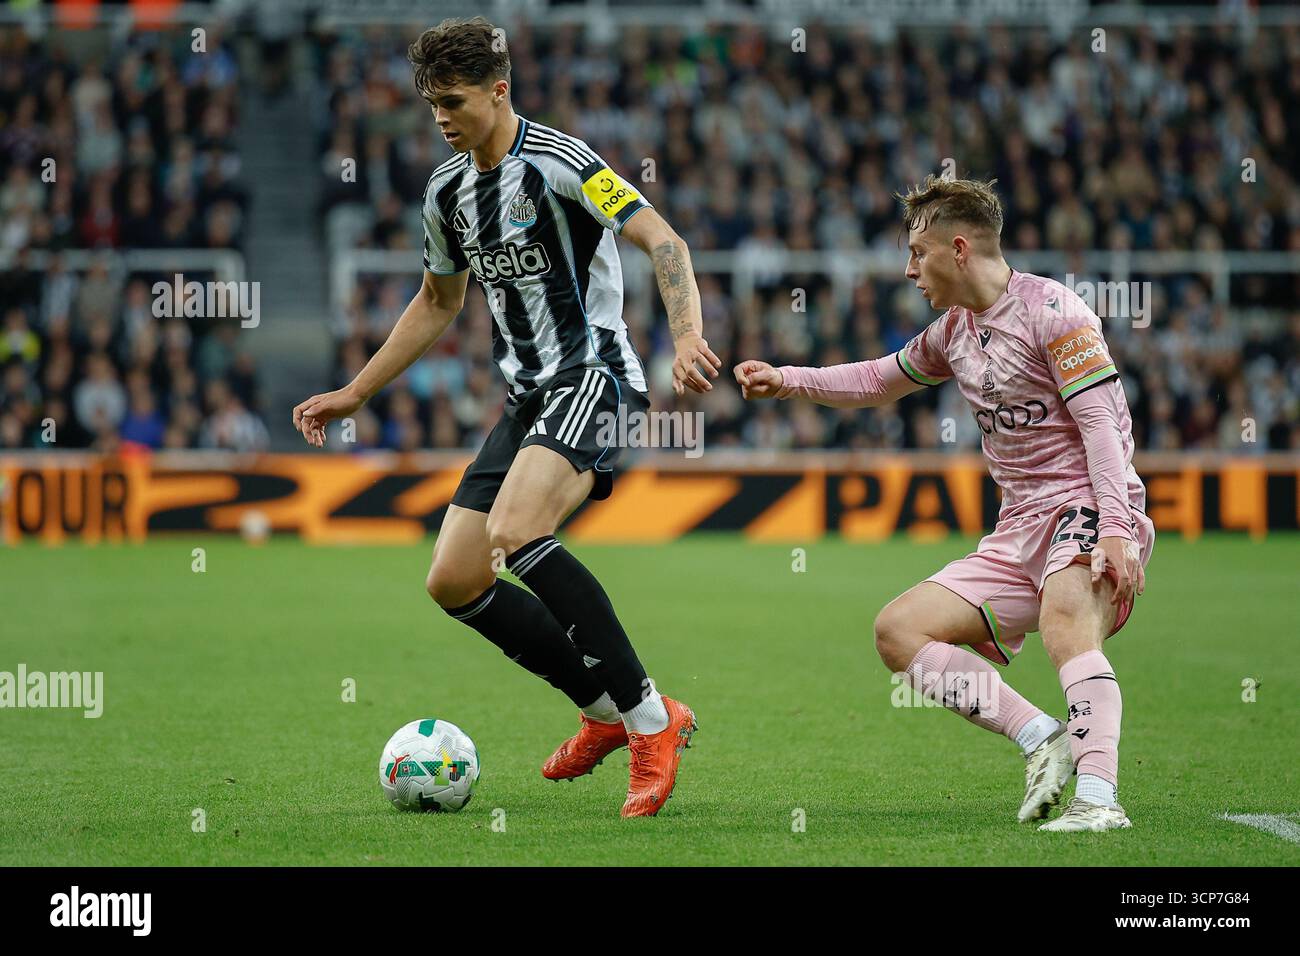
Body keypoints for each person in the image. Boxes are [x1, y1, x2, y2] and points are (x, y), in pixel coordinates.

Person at [293, 17, 721, 818]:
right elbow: (438, 300)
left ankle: (652, 722)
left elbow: (663, 240)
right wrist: (357, 391)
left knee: (517, 533)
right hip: (526, 397)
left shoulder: (564, 164)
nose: (442, 119)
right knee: (453, 578)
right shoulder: (446, 193)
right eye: (431, 107)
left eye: (454, 101)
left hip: (593, 374)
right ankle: (601, 713)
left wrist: (688, 334)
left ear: (499, 90)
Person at [735, 175, 1154, 832]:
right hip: (1019, 529)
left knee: (1066, 622)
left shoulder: (1055, 313)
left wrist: (1119, 530)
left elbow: (1101, 425)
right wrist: (789, 380)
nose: (908, 270)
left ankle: (1100, 800)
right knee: (898, 631)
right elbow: (877, 380)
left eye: (917, 253)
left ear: (959, 249)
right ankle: (1042, 737)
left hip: (1089, 509)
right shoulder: (952, 332)